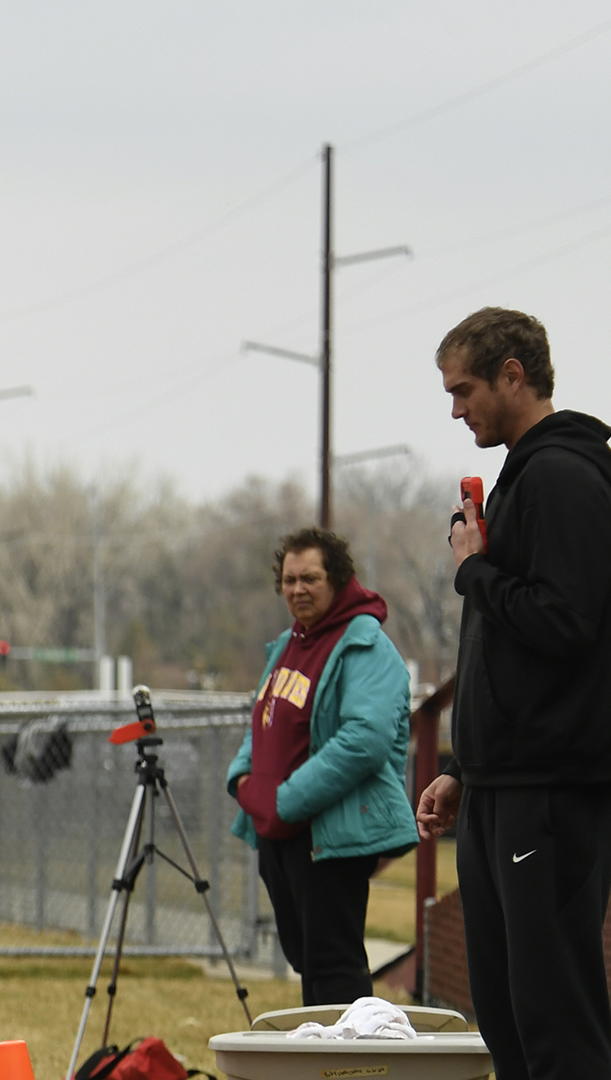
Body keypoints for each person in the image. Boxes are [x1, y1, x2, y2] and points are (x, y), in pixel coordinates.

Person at [415, 307, 611, 1079]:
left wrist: (474, 569)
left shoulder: (566, 476)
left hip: (553, 789)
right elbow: (508, 661)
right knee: (504, 1012)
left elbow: (566, 624)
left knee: (555, 1014)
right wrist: (466, 768)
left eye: (463, 389)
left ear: (513, 374)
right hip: (505, 784)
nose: (455, 409)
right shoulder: (522, 477)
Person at [225, 529, 414, 1006]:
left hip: (330, 835)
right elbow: (264, 715)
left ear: (338, 580)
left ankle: (348, 1066)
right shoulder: (290, 643)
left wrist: (286, 800)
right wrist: (244, 779)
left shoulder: (364, 645)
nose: (297, 589)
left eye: (310, 578)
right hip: (280, 832)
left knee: (334, 964)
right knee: (307, 960)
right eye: (289, 579)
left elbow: (364, 741)